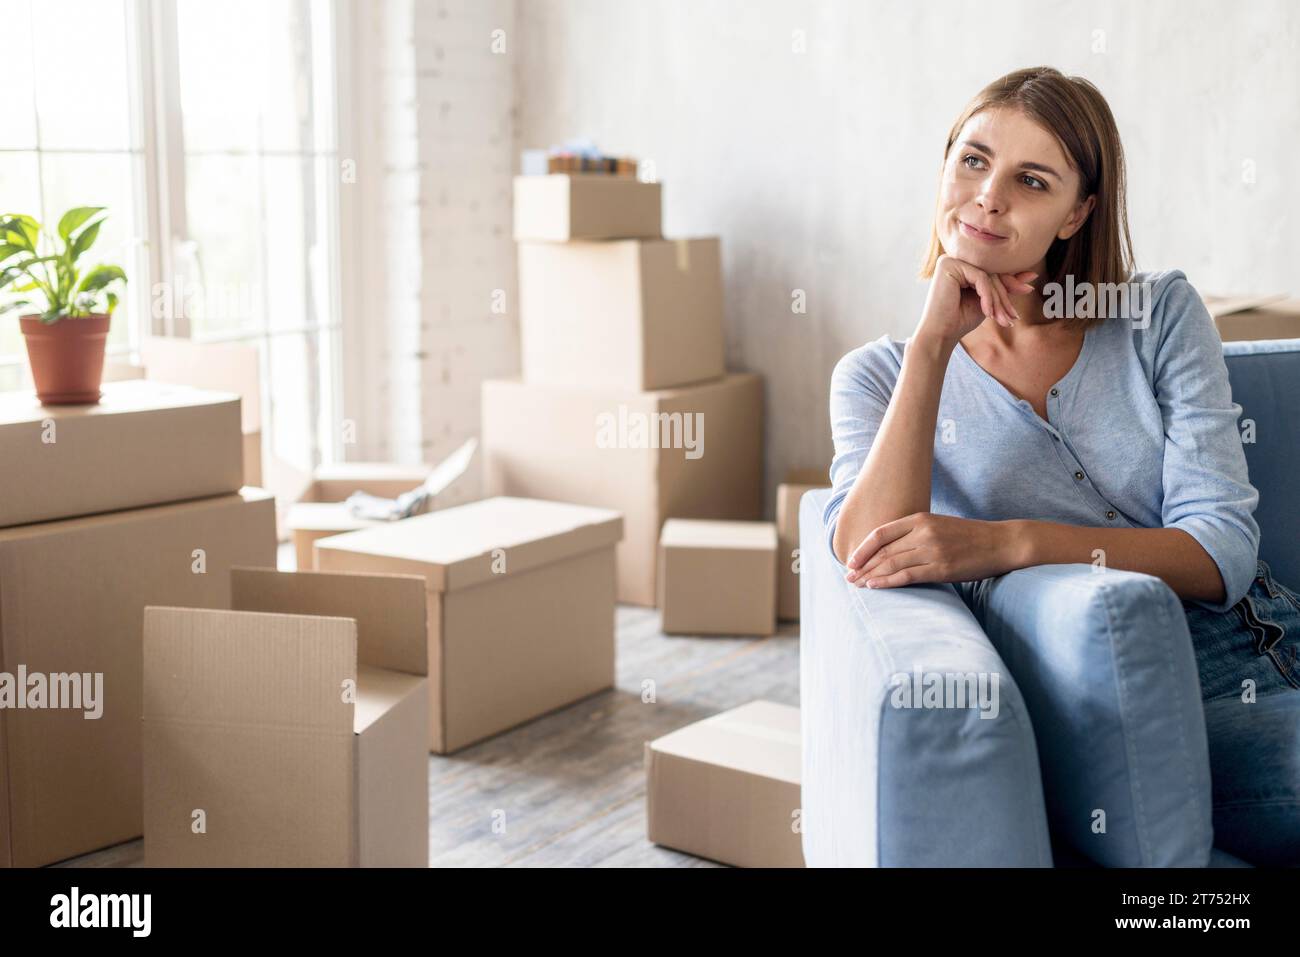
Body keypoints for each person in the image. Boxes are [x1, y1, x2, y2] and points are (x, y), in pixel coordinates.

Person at [823, 65, 1299, 866]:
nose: (988, 196)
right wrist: (935, 343)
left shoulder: (1156, 315)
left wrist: (1007, 542)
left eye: (1030, 179)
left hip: (1265, 634)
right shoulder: (877, 376)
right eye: (971, 160)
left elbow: (1221, 549)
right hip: (1132, 694)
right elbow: (864, 552)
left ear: (1078, 211)